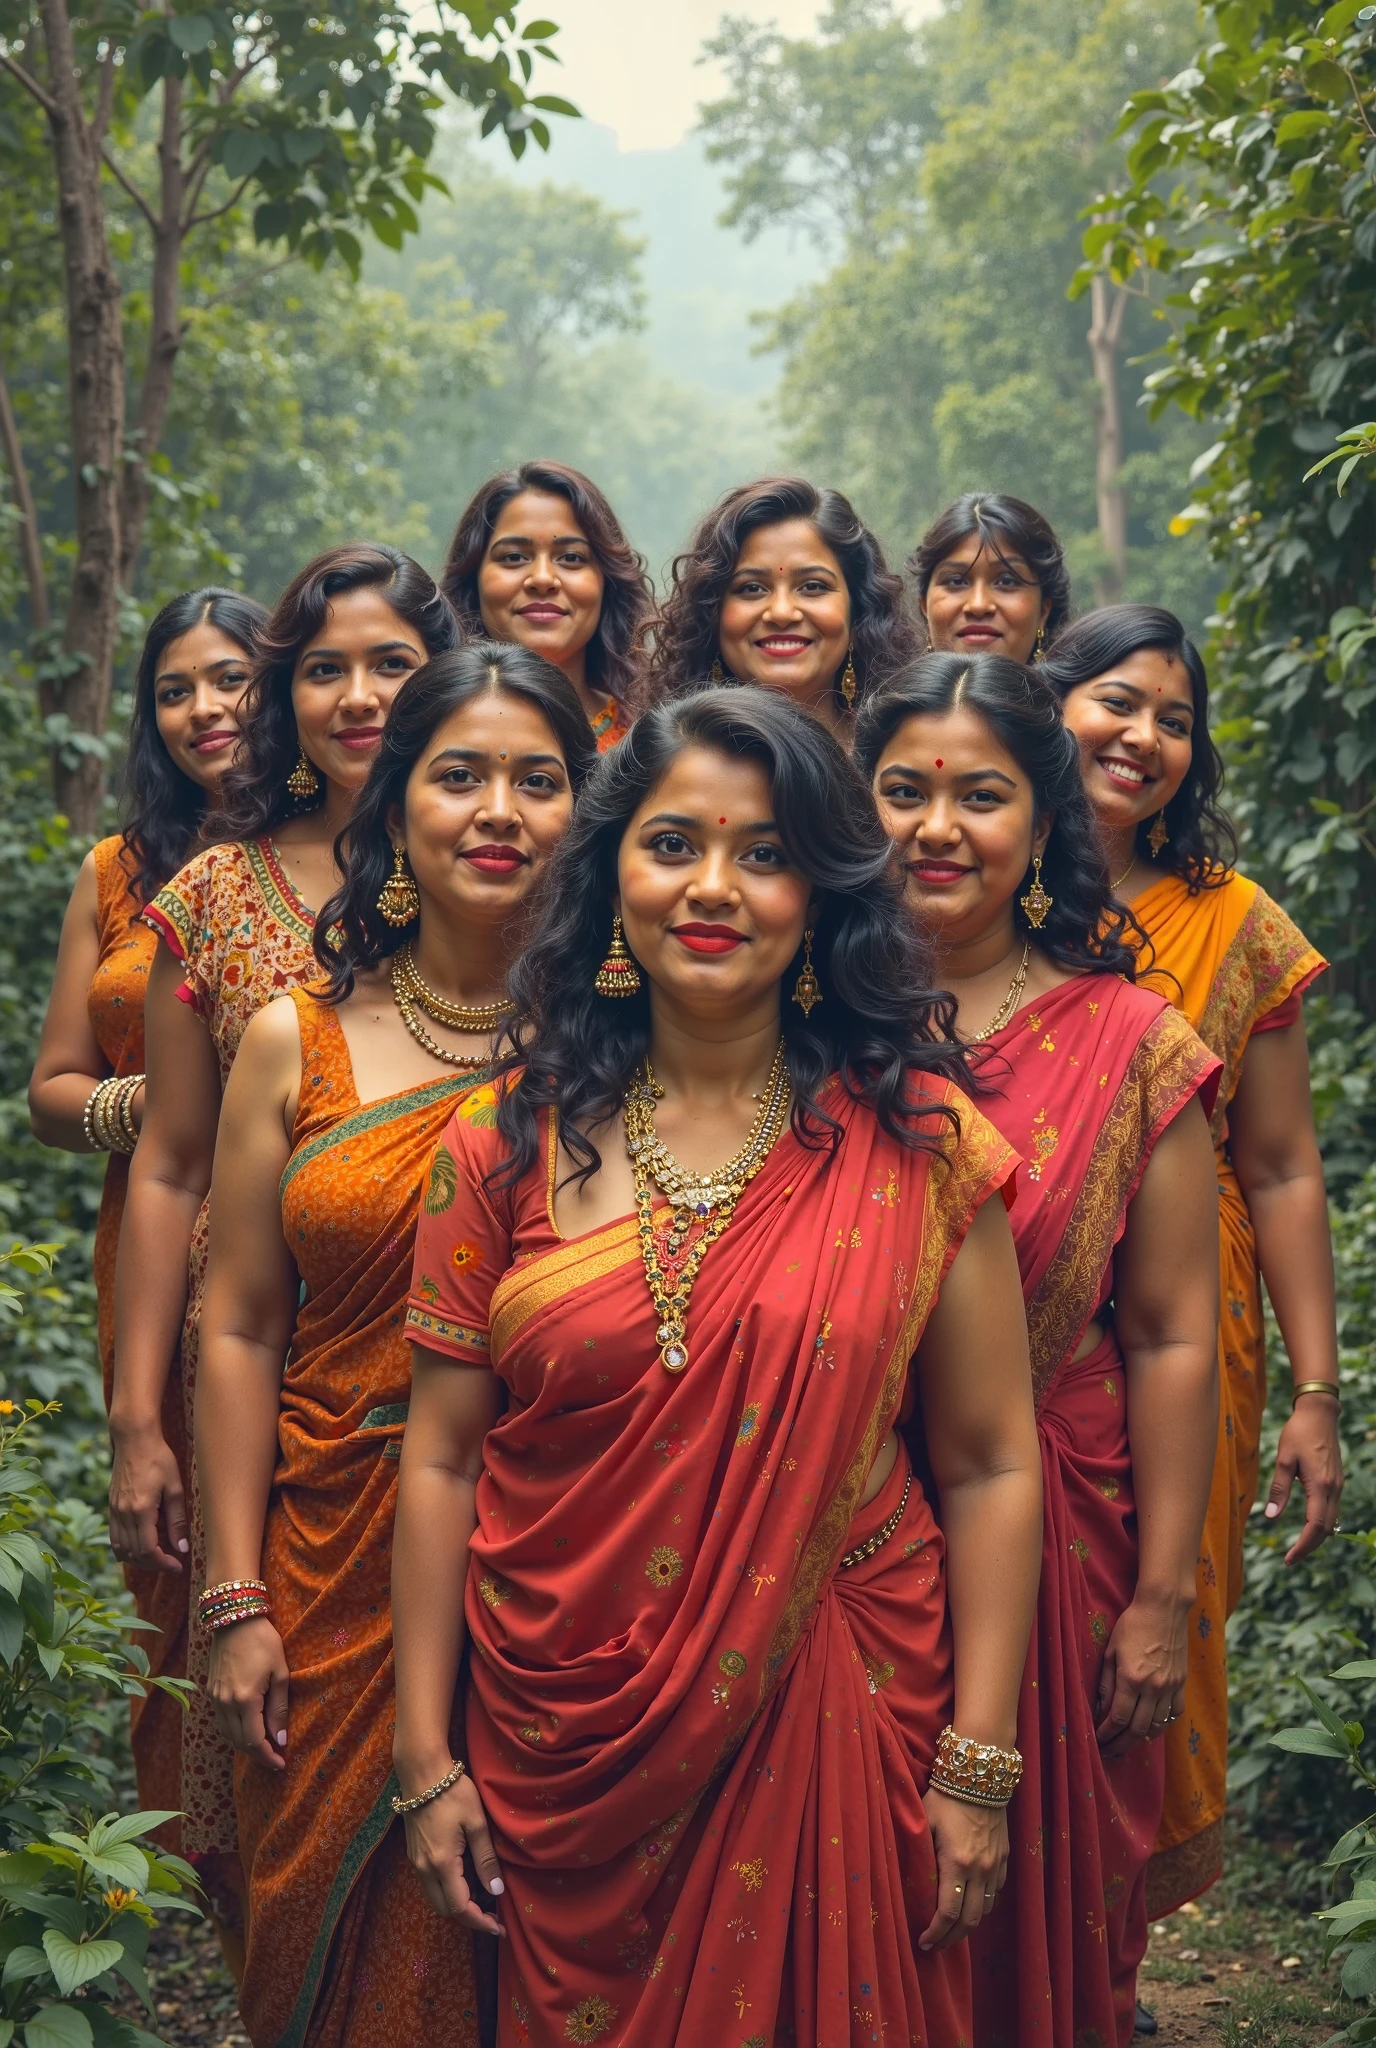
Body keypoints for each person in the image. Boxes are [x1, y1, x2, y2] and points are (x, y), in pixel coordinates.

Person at [393, 686, 1045, 2047]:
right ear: (614, 868)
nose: (714, 889)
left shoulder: (918, 1144)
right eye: (673, 843)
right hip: (559, 1726)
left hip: (835, 1690)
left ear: (823, 896)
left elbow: (988, 1462)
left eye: (764, 855)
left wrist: (979, 1761)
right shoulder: (499, 1140)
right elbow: (444, 1453)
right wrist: (422, 1751)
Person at [194, 643, 597, 2047]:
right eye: (461, 775)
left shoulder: (637, 1047)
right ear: (394, 809)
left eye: (540, 780)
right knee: (324, 1936)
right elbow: (242, 1323)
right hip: (326, 1565)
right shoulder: (291, 1041)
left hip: (564, 1572)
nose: (499, 810)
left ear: (586, 814)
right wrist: (236, 1596)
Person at [858, 653, 1221, 2048]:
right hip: (842, 1530)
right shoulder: (796, 1023)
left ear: (1045, 824)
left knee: (1033, 1918)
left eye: (979, 796)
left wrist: (1163, 1594)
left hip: (1067, 1537)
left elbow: (1175, 1331)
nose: (935, 827)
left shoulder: (1136, 1046)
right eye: (901, 791)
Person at [109, 543, 457, 1946]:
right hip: (267, 1371)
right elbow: (169, 1171)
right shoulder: (215, 892)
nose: (359, 694)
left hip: (488, 1370)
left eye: (392, 664)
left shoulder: (524, 860)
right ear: (281, 698)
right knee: (274, 1720)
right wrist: (142, 1416)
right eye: (323, 668)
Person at [1043, 604, 1343, 1921]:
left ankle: (1109, 1939)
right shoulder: (976, 881)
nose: (1143, 735)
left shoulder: (1234, 921)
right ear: (1045, 706)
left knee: (1153, 1621)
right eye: (1116, 700)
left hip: (1187, 1318)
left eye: (1174, 718)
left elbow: (1279, 1166)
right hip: (1009, 1305)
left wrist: (1319, 1394)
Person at [28, 586, 267, 1841]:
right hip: (157, 1246)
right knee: (171, 1556)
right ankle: (197, 1881)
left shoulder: (346, 848)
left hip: (307, 1251)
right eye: (174, 689)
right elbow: (51, 1093)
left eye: (229, 677)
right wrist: (177, 1109)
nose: (204, 708)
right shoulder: (119, 870)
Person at [646, 475, 919, 733]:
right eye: (751, 588)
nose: (781, 612)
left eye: (813, 586)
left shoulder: (897, 761)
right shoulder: (666, 768)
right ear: (710, 615)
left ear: (858, 611)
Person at [441, 459, 654, 750]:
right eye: (514, 557)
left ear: (608, 582)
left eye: (571, 557)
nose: (543, 579)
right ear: (472, 579)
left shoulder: (651, 740)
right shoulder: (427, 729)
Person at [910, 493, 1071, 665]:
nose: (978, 606)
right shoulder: (889, 692)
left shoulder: (1089, 691)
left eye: (1007, 581)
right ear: (925, 606)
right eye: (956, 581)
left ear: (1043, 611)